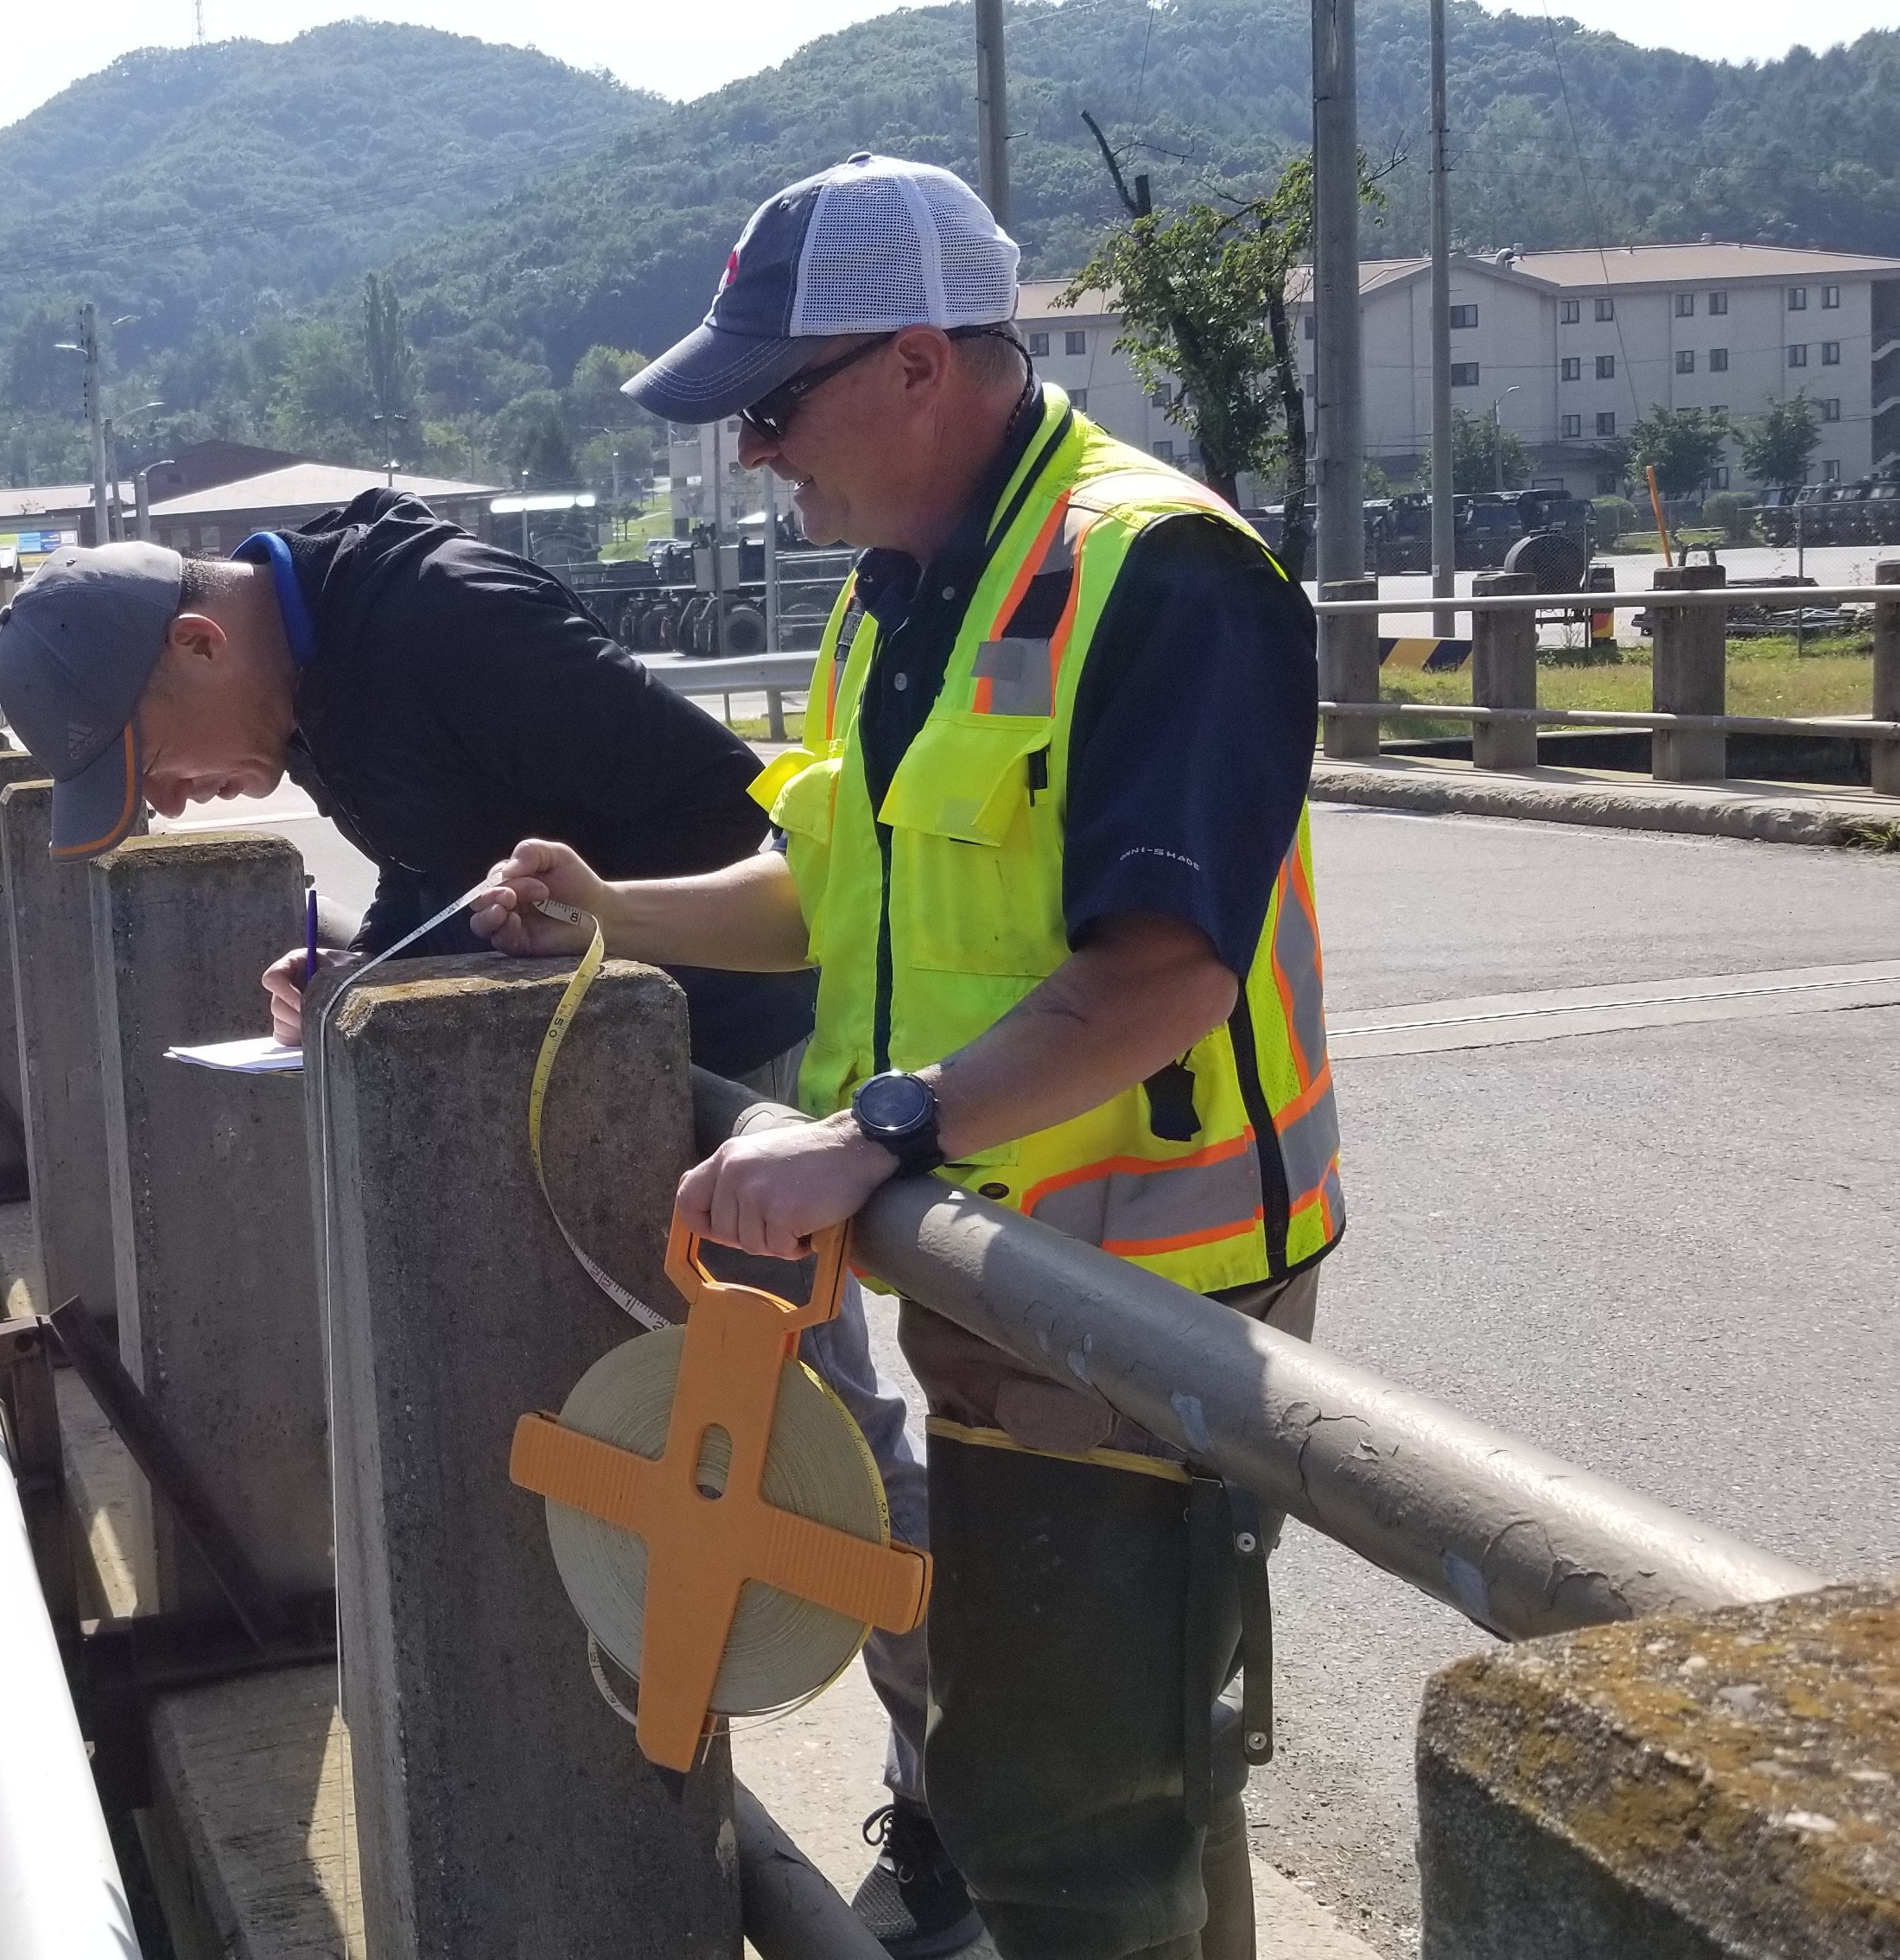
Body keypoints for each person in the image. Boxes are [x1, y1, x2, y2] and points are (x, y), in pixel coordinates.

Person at [469, 153, 1336, 1960]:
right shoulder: (897, 595)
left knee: (1081, 1811)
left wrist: (873, 1135)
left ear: (922, 366)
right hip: (986, 1276)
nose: (755, 454)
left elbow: (1162, 978)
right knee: (1075, 1765)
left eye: (775, 407)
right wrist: (606, 911)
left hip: (1143, 1299)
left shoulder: (1161, 575)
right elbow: (817, 891)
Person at [0, 500, 981, 1957]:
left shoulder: (448, 619)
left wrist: (526, 943)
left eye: (157, 767)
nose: (181, 803)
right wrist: (360, 954)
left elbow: (750, 832)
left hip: (726, 1071)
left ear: (200, 644)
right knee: (646, 1442)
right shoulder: (304, 686)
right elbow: (455, 853)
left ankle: (961, 1815)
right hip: (581, 1077)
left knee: (807, 1439)